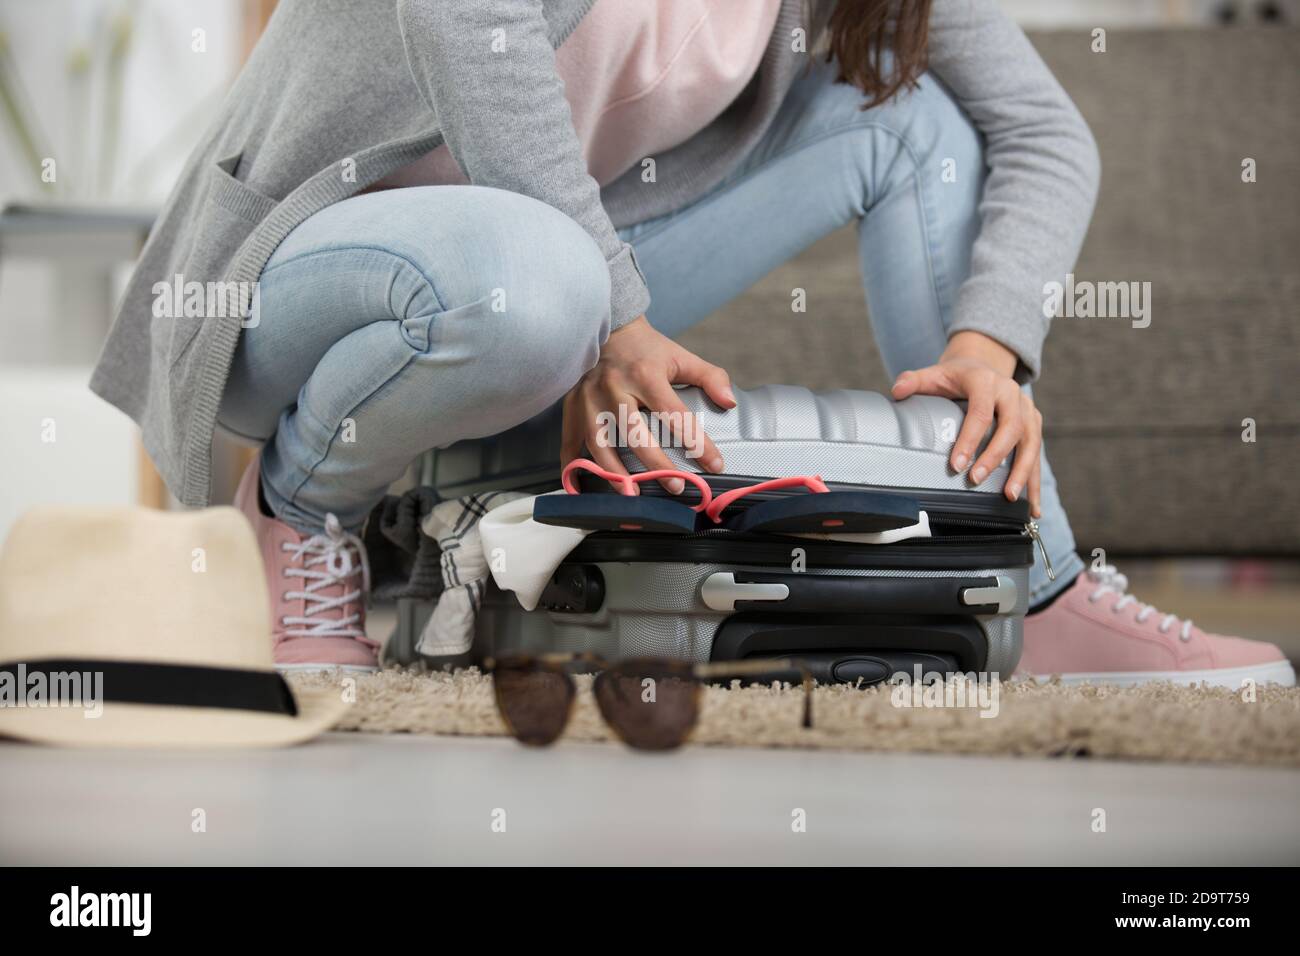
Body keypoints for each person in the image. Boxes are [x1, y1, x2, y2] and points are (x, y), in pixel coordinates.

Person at [91, 0, 1294, 686]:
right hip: (306, 276)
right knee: (544, 281)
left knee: (918, 119)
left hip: (558, 293)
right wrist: (612, 308)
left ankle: (1031, 580)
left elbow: (1041, 127)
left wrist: (992, 346)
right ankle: (299, 514)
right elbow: (466, 18)